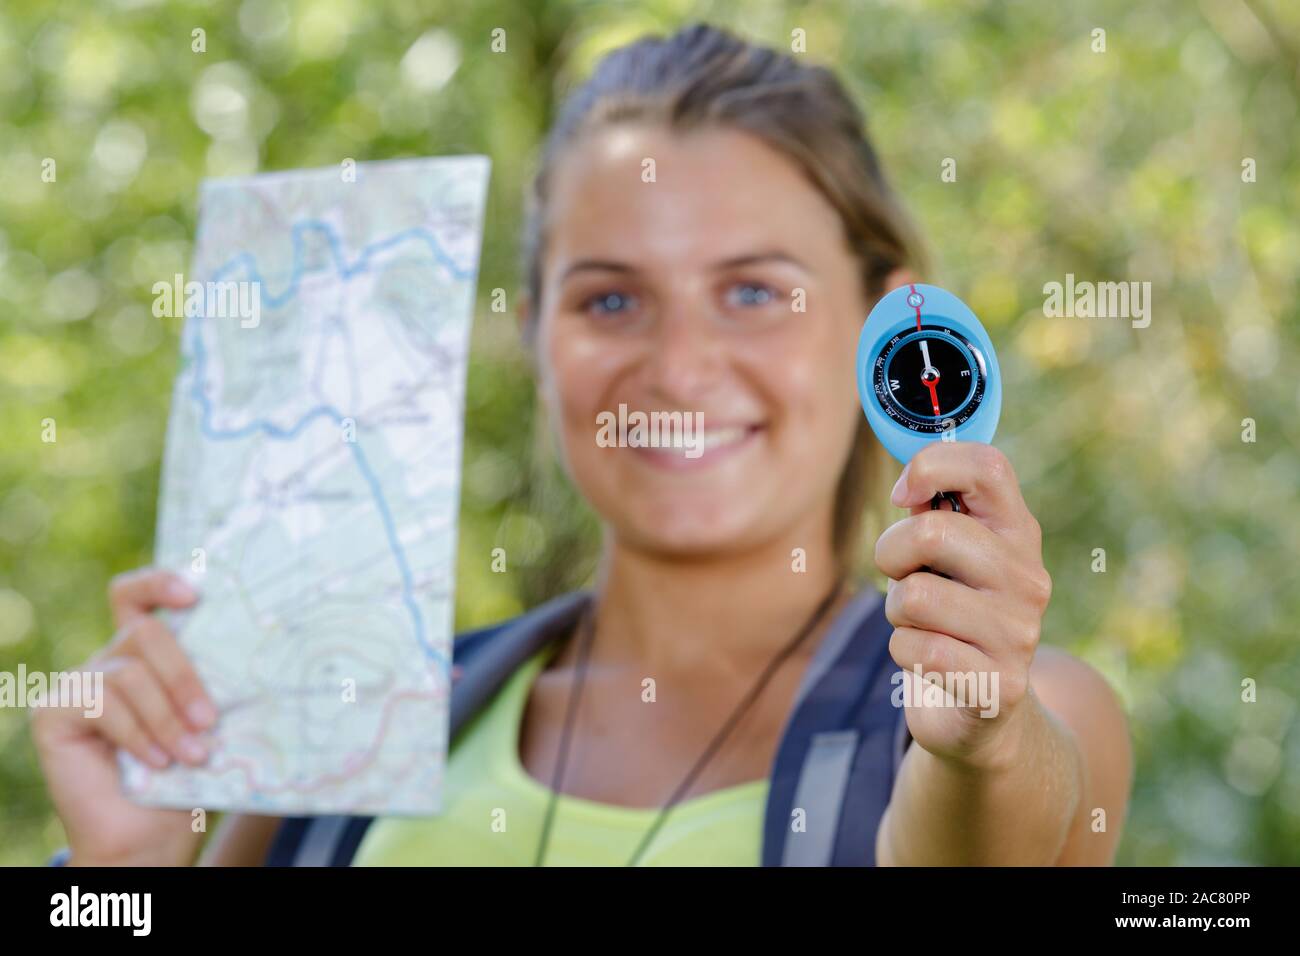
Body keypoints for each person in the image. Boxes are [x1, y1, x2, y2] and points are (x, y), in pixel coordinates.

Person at [31, 22, 1131, 866]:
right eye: (610, 302)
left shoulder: (1012, 714)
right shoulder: (352, 724)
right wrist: (120, 870)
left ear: (882, 323)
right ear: (534, 332)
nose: (679, 365)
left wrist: (976, 739)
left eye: (753, 290)